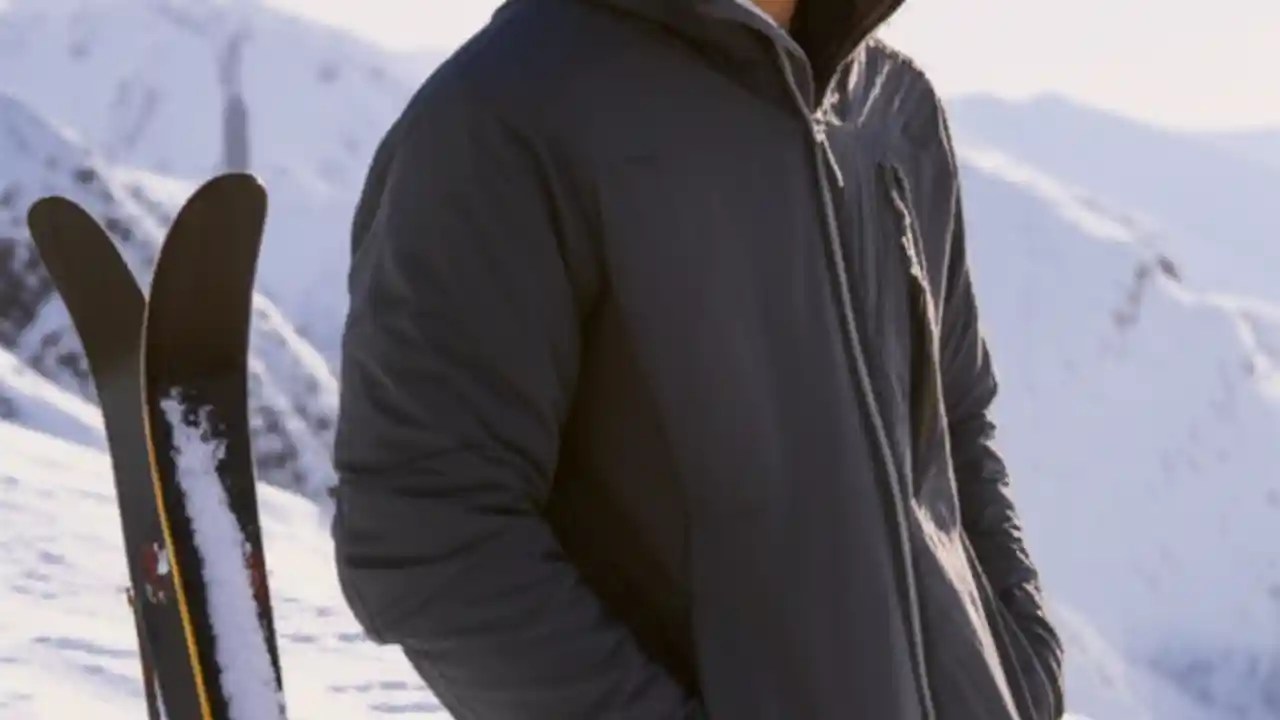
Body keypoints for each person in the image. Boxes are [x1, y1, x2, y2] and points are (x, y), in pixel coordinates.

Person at [332, 0, 1065, 717]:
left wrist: (1025, 674)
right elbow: (425, 526)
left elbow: (957, 424)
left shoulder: (894, 108)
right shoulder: (509, 112)